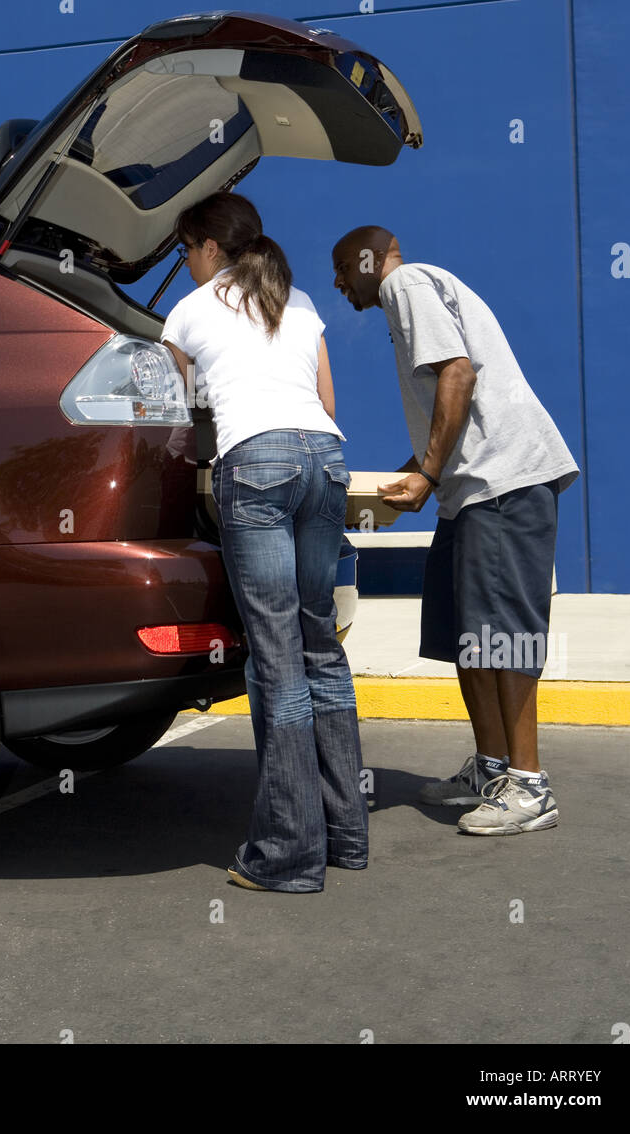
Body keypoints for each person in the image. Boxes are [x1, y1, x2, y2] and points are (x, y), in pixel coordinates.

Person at [332, 226, 579, 835]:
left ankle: (530, 786)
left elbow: (459, 375)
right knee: (467, 636)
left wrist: (430, 472)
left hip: (502, 484)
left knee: (506, 636)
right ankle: (493, 768)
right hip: (469, 494)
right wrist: (408, 477)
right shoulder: (412, 294)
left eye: (342, 270)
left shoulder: (404, 283)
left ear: (368, 259)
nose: (338, 283)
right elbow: (453, 399)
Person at [160, 191, 368, 892]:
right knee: (321, 647)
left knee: (274, 659)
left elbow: (174, 416)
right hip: (324, 462)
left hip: (256, 466)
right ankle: (345, 837)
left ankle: (287, 854)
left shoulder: (188, 312)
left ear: (210, 248)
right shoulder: (300, 300)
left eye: (185, 249)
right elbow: (327, 405)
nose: (184, 262)